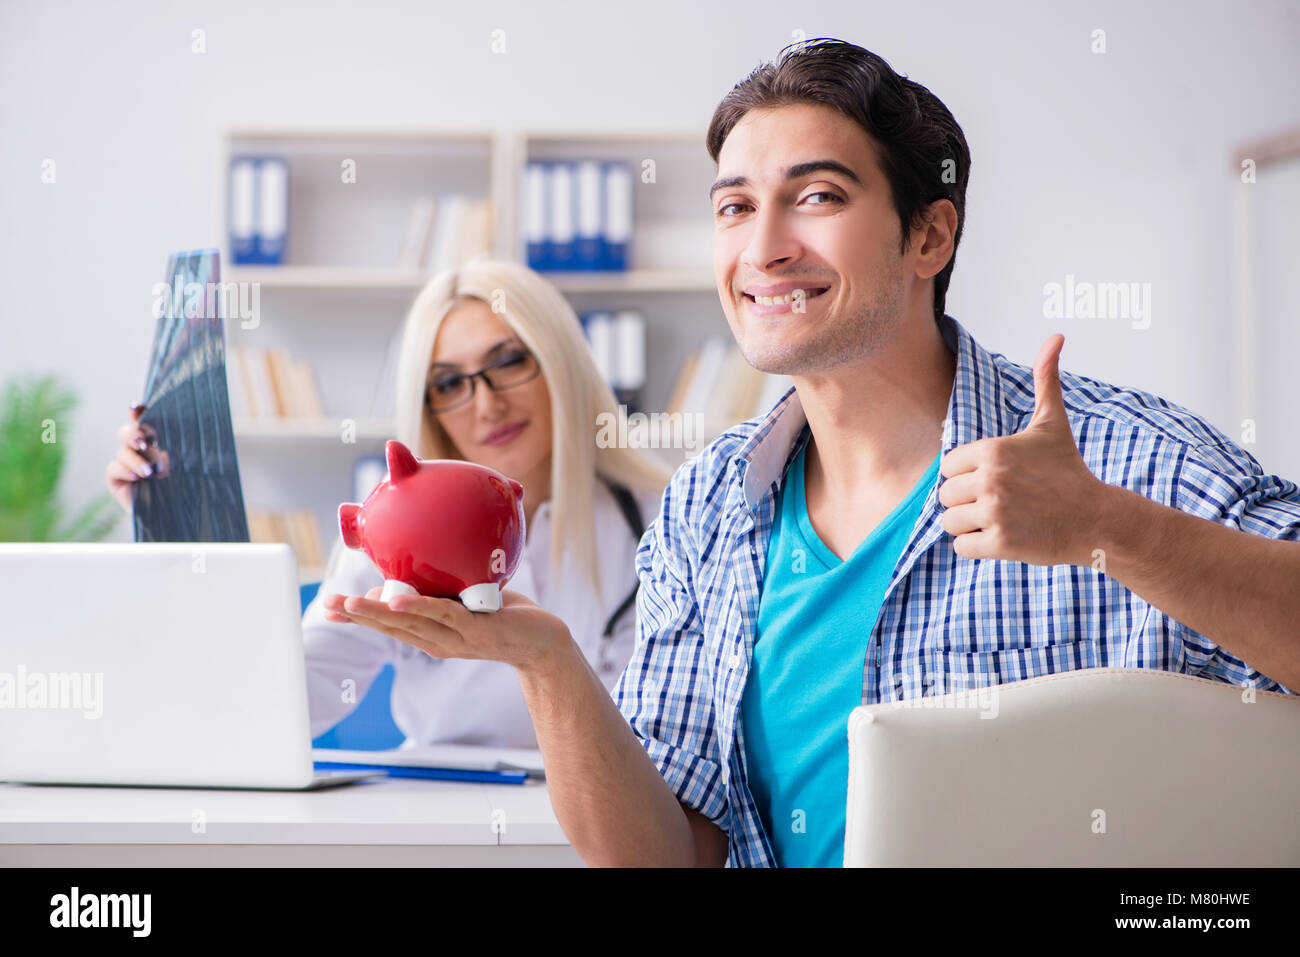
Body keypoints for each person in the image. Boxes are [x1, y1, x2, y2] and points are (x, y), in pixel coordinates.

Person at [308, 38, 1300, 868]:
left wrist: (1108, 532)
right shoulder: (706, 507)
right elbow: (667, 854)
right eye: (734, 207)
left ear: (929, 237)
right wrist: (549, 665)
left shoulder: (1121, 467)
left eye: (816, 196)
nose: (764, 246)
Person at [107, 259, 673, 748]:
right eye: (449, 384)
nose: (486, 405)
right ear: (427, 406)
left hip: (601, 821)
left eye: (507, 362)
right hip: (439, 812)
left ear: (560, 363)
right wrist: (181, 533)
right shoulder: (392, 533)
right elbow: (284, 702)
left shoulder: (660, 520)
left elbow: (664, 735)